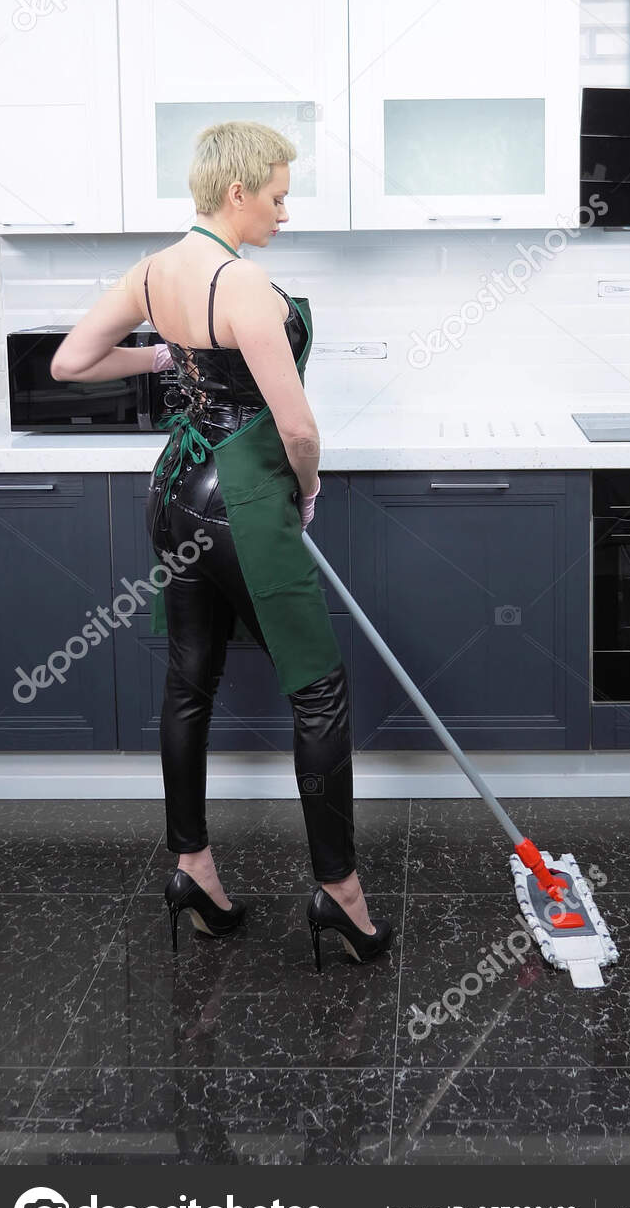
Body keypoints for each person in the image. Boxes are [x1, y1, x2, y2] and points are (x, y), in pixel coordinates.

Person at [49, 119, 391, 972]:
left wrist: (160, 352)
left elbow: (70, 362)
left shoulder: (154, 272)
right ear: (237, 192)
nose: (284, 209)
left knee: (189, 680)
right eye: (277, 194)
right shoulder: (244, 285)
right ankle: (340, 895)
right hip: (244, 496)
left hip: (174, 489)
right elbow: (297, 424)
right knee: (318, 692)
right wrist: (305, 491)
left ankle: (194, 870)